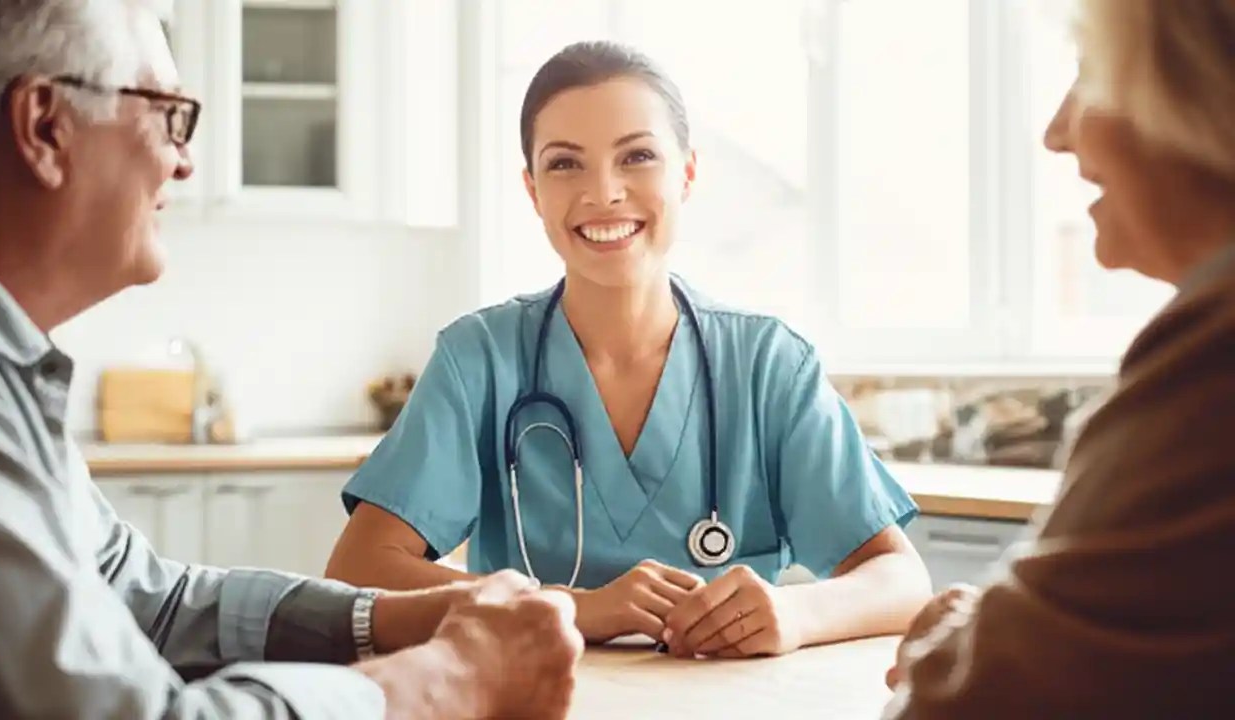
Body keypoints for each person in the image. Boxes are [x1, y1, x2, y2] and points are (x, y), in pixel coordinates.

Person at [0, 1, 582, 718]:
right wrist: (448, 680)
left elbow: (146, 602)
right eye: (170, 115)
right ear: (45, 126)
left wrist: (393, 620)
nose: (185, 161)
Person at [325, 40, 932, 659]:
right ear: (533, 191)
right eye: (565, 164)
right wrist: (569, 607)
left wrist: (795, 613)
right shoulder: (478, 359)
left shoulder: (769, 365)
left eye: (637, 156)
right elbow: (357, 571)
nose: (604, 192)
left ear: (687, 173)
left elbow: (902, 580)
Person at [883, 0, 1235, 716]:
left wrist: (964, 645)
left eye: (1091, 71)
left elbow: (962, 706)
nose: (1054, 134)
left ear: (1201, 83)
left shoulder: (1212, 355)